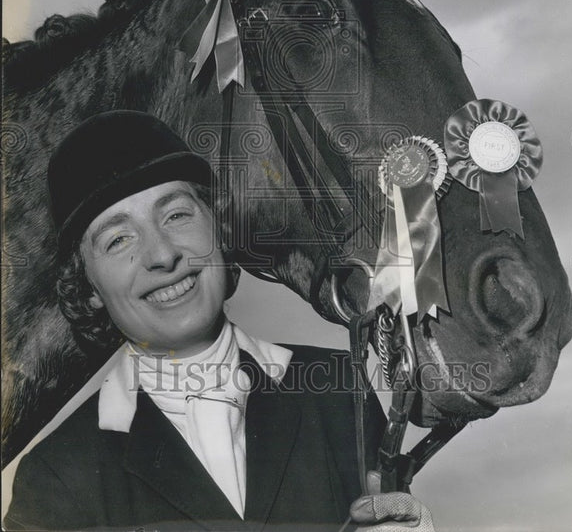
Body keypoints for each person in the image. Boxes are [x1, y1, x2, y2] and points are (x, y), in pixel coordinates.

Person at [4, 111, 435, 531]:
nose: (162, 255)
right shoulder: (54, 478)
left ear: (219, 228)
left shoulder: (341, 392)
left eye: (176, 215)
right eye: (118, 239)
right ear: (89, 287)